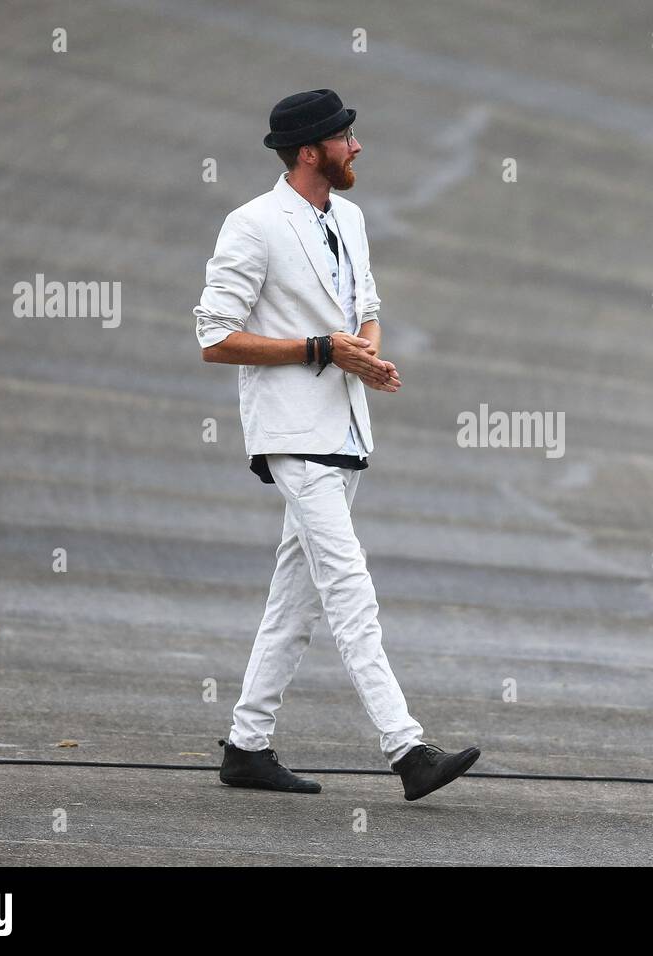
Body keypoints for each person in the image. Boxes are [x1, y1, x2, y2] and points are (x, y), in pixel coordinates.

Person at [193, 89, 480, 801]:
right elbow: (214, 337)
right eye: (345, 138)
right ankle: (407, 749)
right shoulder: (253, 225)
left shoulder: (348, 218)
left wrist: (367, 354)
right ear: (310, 150)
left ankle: (247, 746)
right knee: (349, 588)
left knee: (295, 603)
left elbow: (367, 310)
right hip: (292, 436)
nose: (357, 147)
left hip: (348, 430)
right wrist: (322, 349)